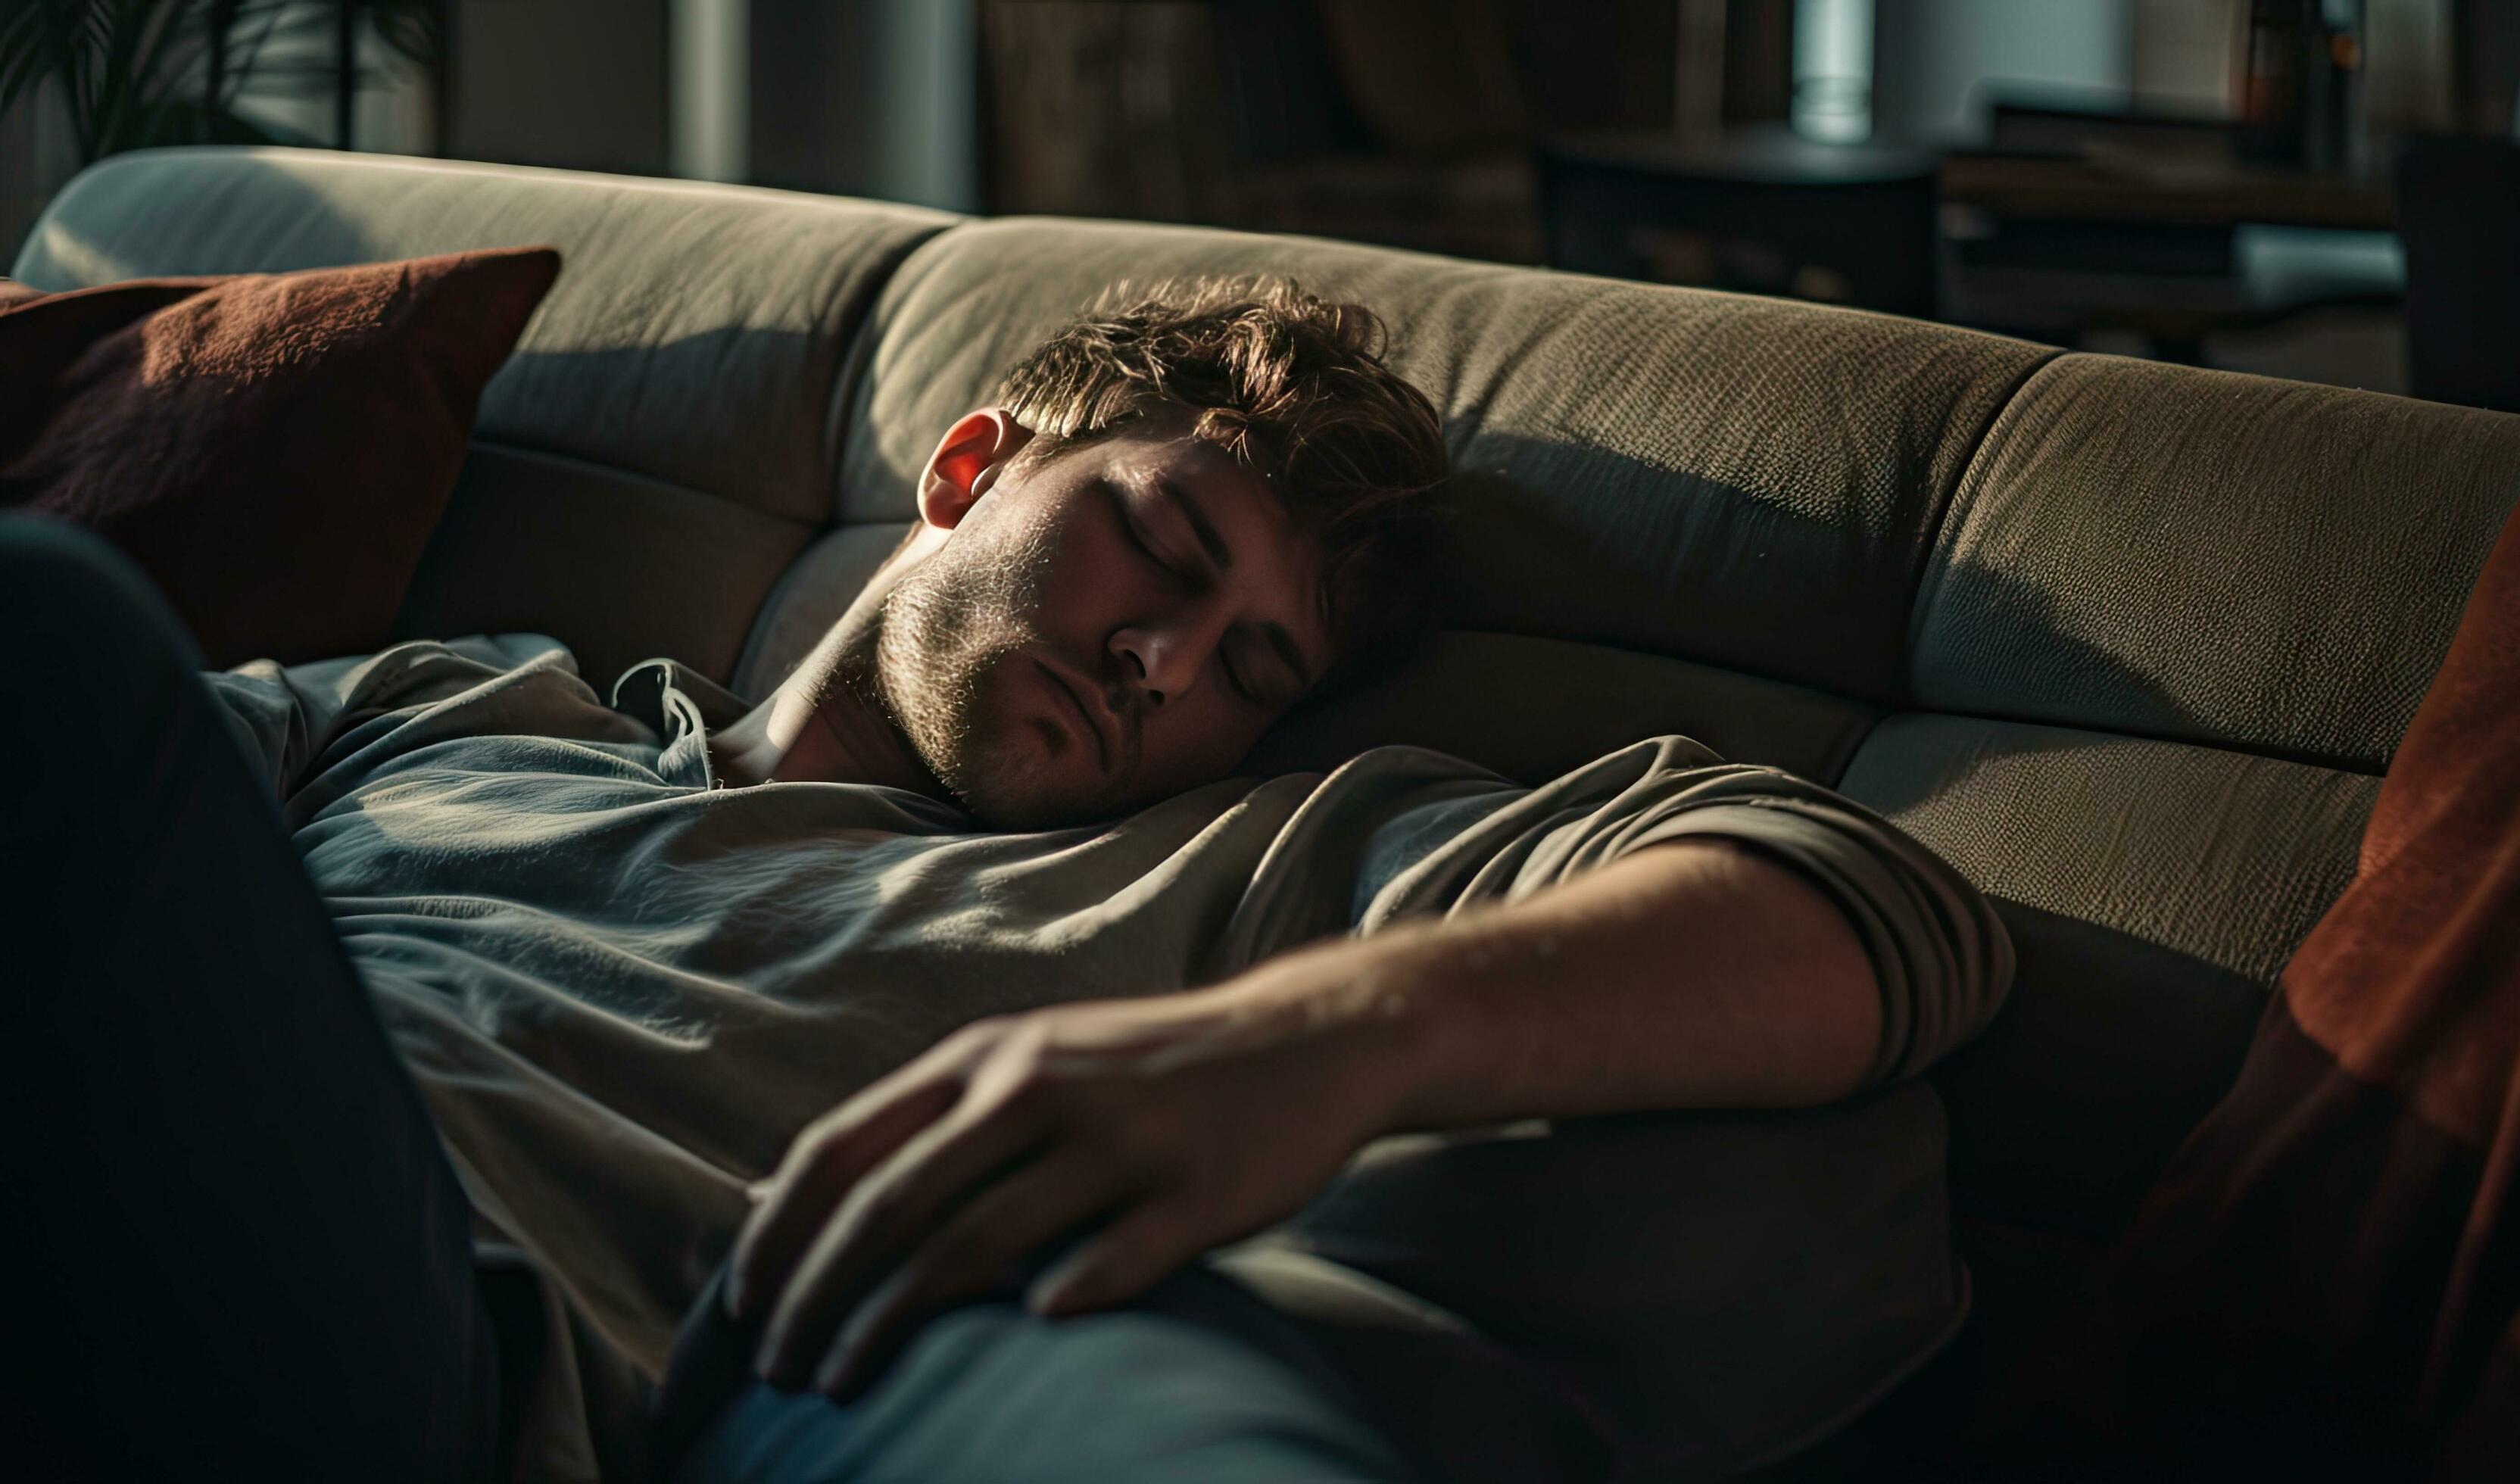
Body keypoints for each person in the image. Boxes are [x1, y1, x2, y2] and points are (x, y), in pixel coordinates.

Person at [2, 278, 2009, 1481]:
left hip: (412, 1351)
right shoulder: (459, 706)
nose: (1165, 663)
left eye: (1251, 668)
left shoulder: (1226, 868)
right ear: (971, 468)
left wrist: (1307, 1049)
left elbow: (1864, 903)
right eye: (1164, 545)